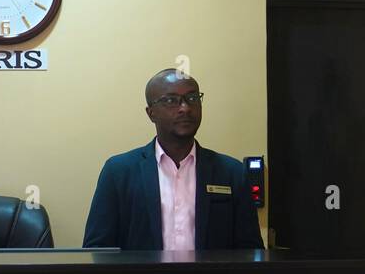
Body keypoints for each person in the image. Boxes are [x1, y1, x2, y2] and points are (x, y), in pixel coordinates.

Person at [82, 68, 264, 251]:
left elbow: (250, 250)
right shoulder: (118, 172)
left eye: (192, 98)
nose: (184, 108)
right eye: (171, 100)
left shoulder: (231, 172)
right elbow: (98, 250)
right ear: (151, 113)